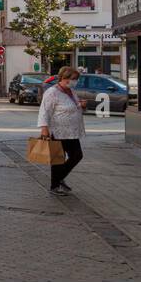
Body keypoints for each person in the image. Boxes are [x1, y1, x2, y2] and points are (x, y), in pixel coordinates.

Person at [38, 66, 86, 195]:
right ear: (64, 78)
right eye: (74, 79)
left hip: (72, 132)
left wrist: (81, 105)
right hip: (58, 131)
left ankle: (59, 179)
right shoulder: (52, 92)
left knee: (76, 156)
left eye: (76, 79)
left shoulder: (71, 91)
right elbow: (44, 112)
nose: (75, 81)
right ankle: (55, 184)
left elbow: (72, 107)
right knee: (58, 159)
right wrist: (44, 129)